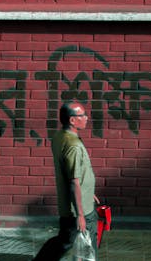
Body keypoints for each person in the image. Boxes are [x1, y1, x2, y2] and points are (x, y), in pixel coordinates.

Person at [33, 101, 98, 261]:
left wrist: (89, 191)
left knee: (67, 240)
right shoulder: (73, 146)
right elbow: (73, 181)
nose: (86, 118)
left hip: (78, 201)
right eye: (82, 115)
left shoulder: (59, 136)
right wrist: (80, 215)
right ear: (72, 120)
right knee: (85, 244)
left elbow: (73, 174)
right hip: (79, 208)